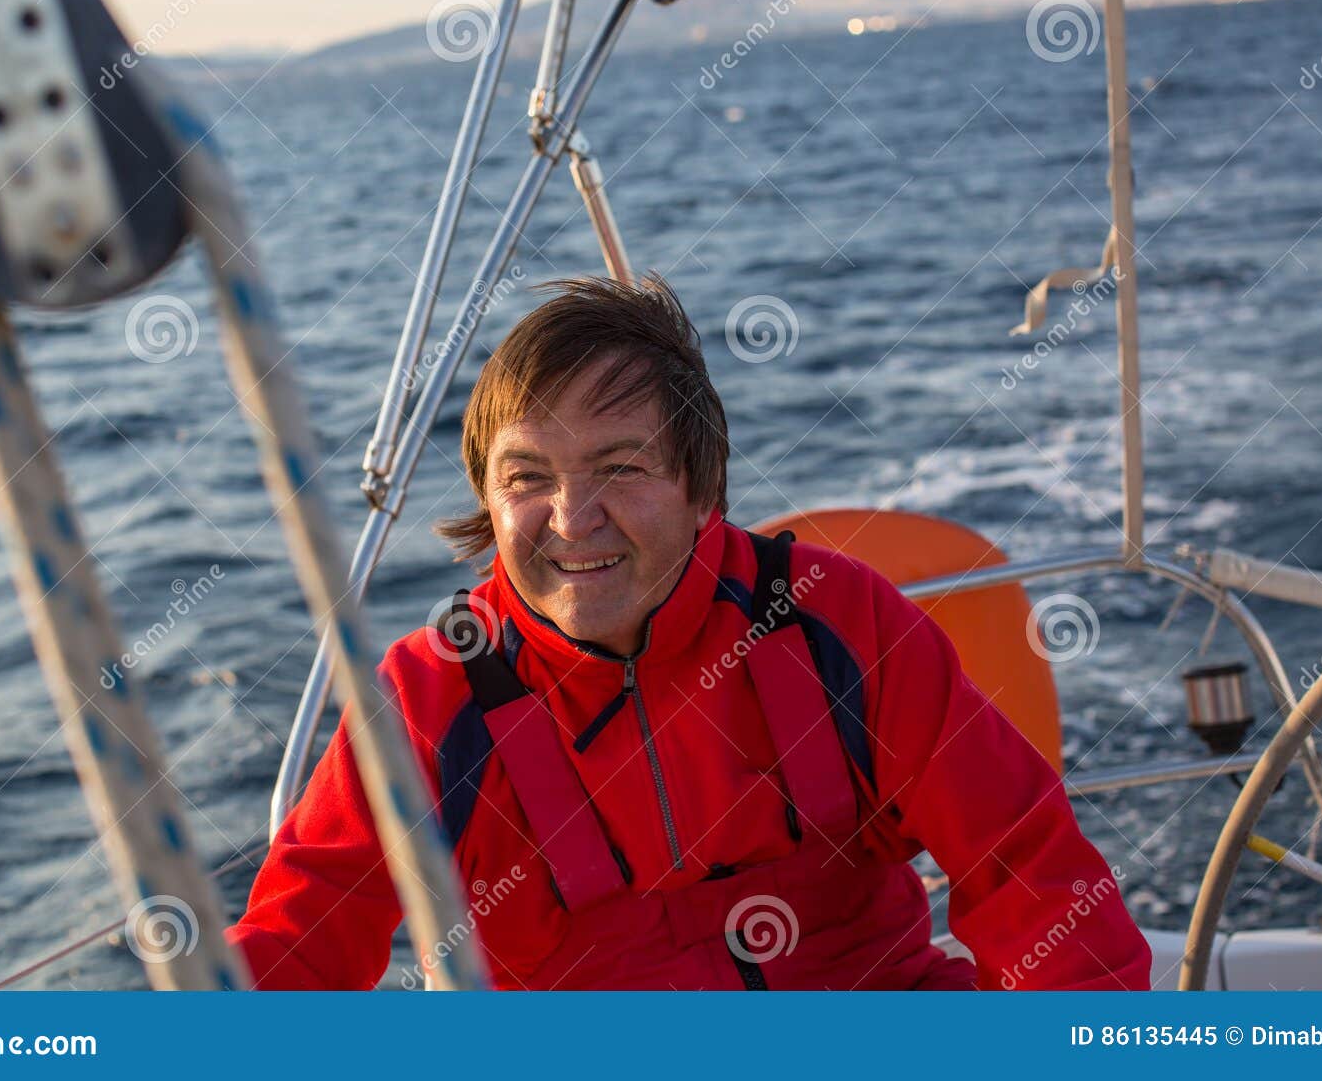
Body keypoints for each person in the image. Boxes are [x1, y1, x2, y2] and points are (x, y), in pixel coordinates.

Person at [227, 275, 1152, 990]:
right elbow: (291, 955)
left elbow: (1032, 875)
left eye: (618, 466)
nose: (571, 516)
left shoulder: (838, 622)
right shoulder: (431, 701)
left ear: (701, 484)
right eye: (527, 476)